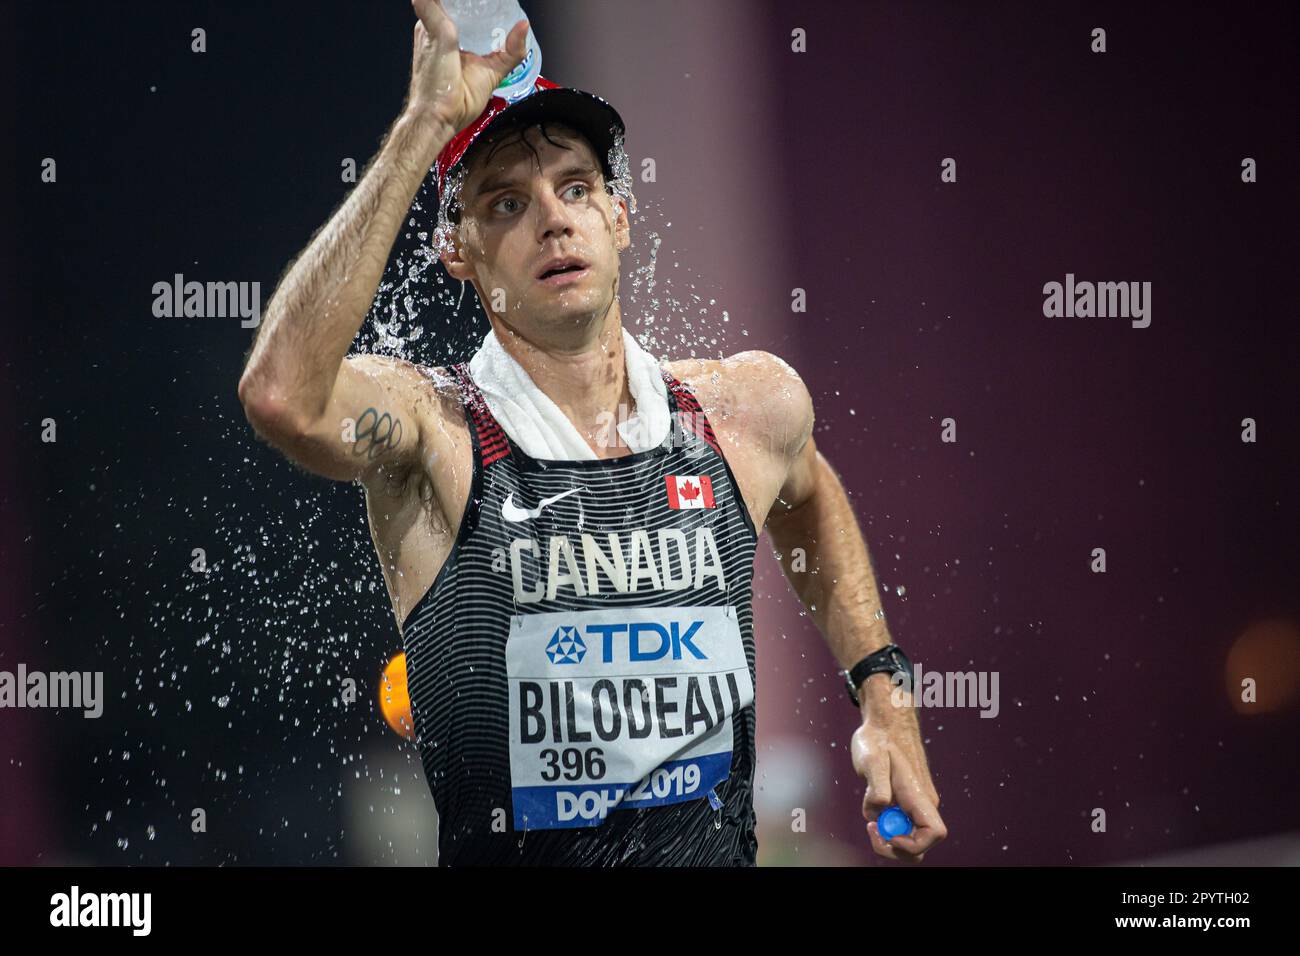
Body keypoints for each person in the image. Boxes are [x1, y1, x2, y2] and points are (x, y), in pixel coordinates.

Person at [238, 0, 946, 865]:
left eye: (575, 188)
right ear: (456, 251)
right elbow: (281, 396)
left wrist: (885, 698)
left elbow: (809, 496)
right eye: (504, 204)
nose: (552, 219)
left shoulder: (745, 409)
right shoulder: (438, 428)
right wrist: (423, 128)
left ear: (618, 219)